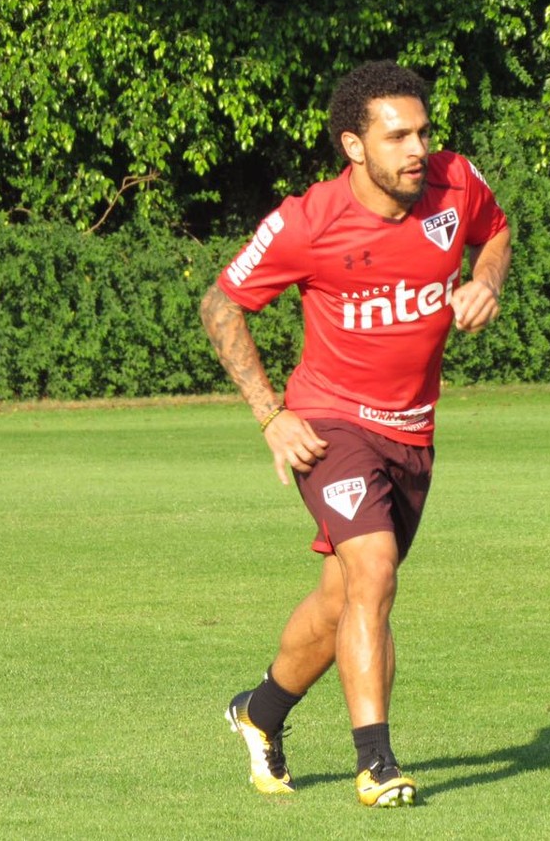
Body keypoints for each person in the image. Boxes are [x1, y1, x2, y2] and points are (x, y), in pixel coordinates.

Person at [200, 60, 511, 808]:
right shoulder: (306, 221)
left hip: (413, 434)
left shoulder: (455, 183)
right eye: (397, 135)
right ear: (353, 145)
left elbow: (494, 232)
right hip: (331, 424)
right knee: (373, 568)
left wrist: (487, 281)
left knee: (344, 599)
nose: (417, 149)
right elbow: (220, 304)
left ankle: (259, 712)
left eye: (424, 131)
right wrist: (272, 415)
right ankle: (376, 763)